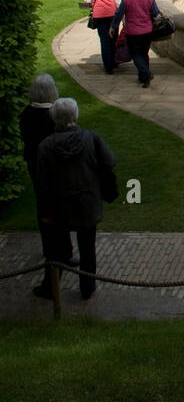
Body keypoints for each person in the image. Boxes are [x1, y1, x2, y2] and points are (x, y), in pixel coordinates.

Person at [36, 98, 116, 300]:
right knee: (88, 248)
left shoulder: (45, 146)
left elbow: (42, 183)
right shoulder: (90, 138)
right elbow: (109, 161)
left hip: (59, 206)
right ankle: (87, 287)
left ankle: (50, 288)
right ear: (75, 115)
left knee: (56, 250)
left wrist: (45, 212)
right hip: (87, 202)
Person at [20, 74, 77, 298]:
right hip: (52, 175)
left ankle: (62, 253)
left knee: (48, 216)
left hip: (38, 172)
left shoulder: (26, 115)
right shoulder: (52, 118)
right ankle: (52, 279)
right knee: (53, 218)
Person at [111, 0, 162, 87]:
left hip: (132, 31)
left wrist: (113, 27)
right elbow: (156, 13)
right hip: (147, 31)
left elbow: (119, 14)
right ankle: (143, 78)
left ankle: (146, 73)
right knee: (144, 54)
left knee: (135, 55)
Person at [86, 0, 122, 75]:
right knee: (113, 38)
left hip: (98, 14)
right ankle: (112, 61)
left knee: (104, 40)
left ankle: (108, 64)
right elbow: (117, 0)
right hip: (111, 13)